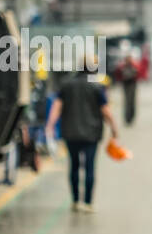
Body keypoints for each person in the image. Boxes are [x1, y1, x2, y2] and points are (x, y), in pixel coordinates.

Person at [45, 65, 120, 213]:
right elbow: (106, 111)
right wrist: (114, 130)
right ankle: (87, 202)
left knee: (74, 166)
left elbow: (57, 106)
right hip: (91, 134)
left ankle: (75, 201)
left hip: (70, 133)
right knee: (89, 167)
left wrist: (50, 126)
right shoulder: (97, 86)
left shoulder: (67, 84)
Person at [113, 54, 139, 126]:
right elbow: (117, 74)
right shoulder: (122, 67)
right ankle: (127, 118)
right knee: (127, 102)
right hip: (126, 85)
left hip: (132, 85)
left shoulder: (134, 66)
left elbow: (139, 73)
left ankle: (131, 117)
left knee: (131, 102)